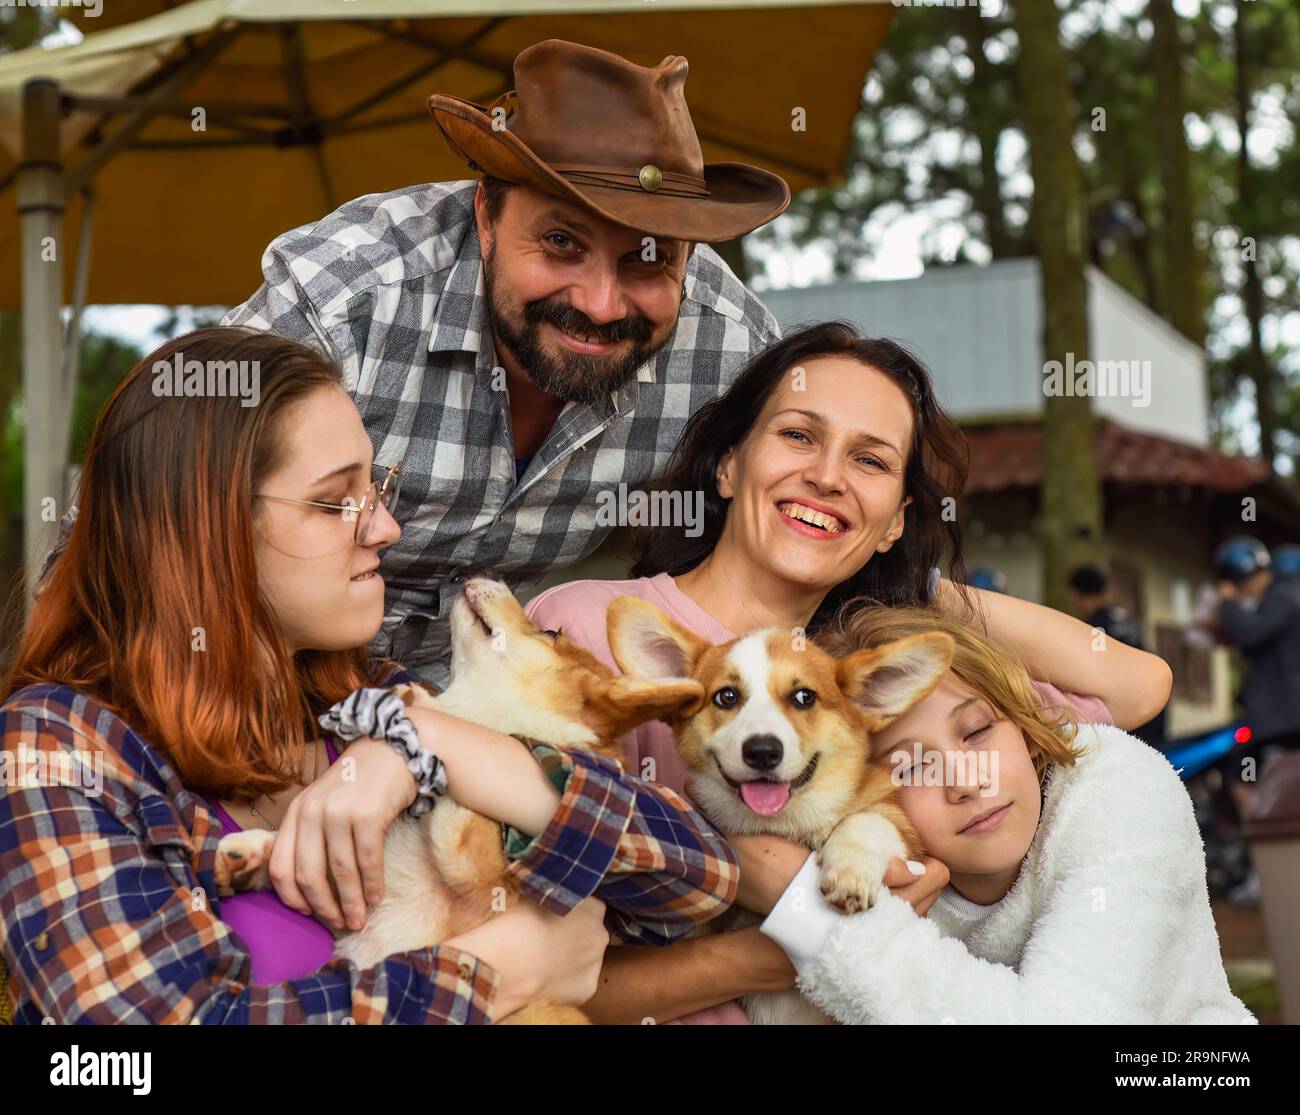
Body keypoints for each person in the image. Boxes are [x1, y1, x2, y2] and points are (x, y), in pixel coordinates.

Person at [0, 328, 737, 1024]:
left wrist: (417, 741)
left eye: (376, 484)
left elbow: (696, 877)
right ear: (203, 528)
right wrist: (491, 970)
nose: (384, 527)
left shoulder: (362, 705)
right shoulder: (59, 746)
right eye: (334, 501)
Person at [525, 321, 1174, 1023]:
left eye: (870, 461)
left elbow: (1135, 685)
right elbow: (521, 973)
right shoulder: (591, 626)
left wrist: (906, 578)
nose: (828, 476)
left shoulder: (867, 666)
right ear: (729, 464)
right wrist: (798, 935)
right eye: (799, 435)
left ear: (897, 516)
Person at [219, 38, 791, 687]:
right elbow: (164, 511)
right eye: (560, 242)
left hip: (487, 717)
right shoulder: (343, 298)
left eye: (649, 257)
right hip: (249, 679)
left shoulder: (735, 352)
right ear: (486, 216)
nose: (602, 305)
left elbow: (819, 547)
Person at [758, 606, 1254, 1024]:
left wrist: (815, 920)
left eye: (976, 732)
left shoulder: (1120, 793)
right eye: (911, 765)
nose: (970, 782)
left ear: (1022, 723)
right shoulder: (873, 854)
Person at [1068, 564, 1165, 744]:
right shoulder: (1124, 617)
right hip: (1154, 702)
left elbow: (1095, 673)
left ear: (1077, 594)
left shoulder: (1094, 626)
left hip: (1128, 708)